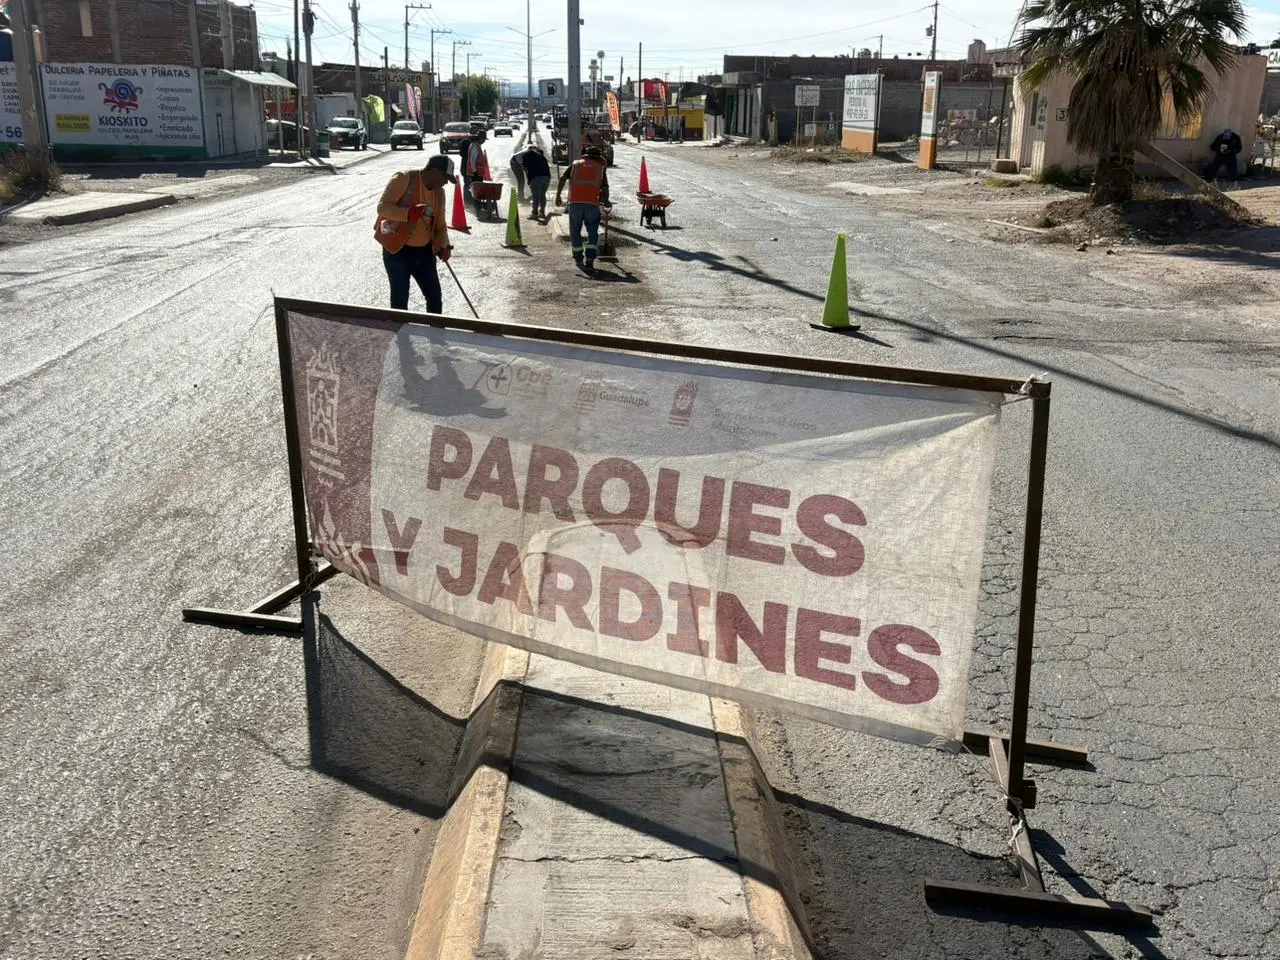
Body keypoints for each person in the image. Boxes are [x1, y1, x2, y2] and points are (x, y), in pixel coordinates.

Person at [377, 154, 454, 313]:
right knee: (399, 302)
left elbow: (440, 225)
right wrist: (408, 213)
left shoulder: (439, 193)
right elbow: (382, 208)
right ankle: (401, 335)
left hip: (424, 252)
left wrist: (443, 245)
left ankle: (436, 333)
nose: (446, 183)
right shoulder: (404, 179)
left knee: (434, 297)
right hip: (398, 252)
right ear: (434, 172)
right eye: (445, 178)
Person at [555, 145, 610, 268]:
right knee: (592, 232)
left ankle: (578, 258)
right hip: (592, 204)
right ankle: (590, 257)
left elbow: (563, 178)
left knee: (575, 231)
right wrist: (606, 201)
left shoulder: (575, 164)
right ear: (598, 157)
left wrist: (558, 195)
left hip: (575, 203)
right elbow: (605, 187)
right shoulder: (599, 168)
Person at [522, 144, 552, 219]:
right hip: (546, 177)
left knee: (535, 196)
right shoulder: (541, 156)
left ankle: (534, 214)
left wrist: (529, 179)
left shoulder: (526, 154)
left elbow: (525, 169)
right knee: (542, 195)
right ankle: (542, 213)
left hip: (536, 177)